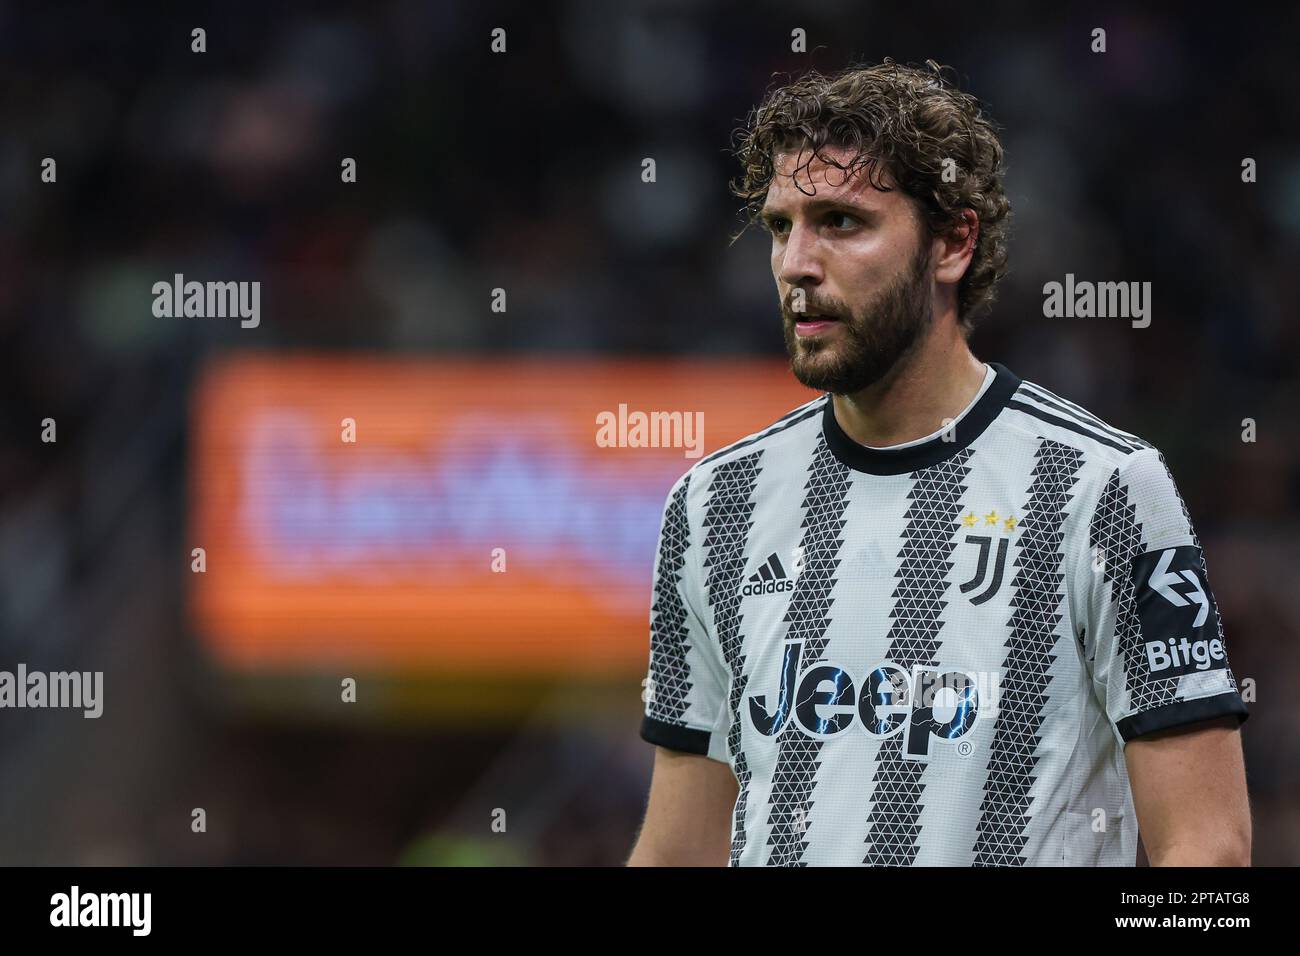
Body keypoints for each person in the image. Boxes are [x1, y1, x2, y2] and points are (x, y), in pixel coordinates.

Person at [627, 60, 1250, 866]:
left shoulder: (1105, 490)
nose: (795, 265)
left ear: (953, 241)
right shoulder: (713, 504)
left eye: (841, 223)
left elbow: (1209, 851)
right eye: (783, 226)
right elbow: (679, 850)